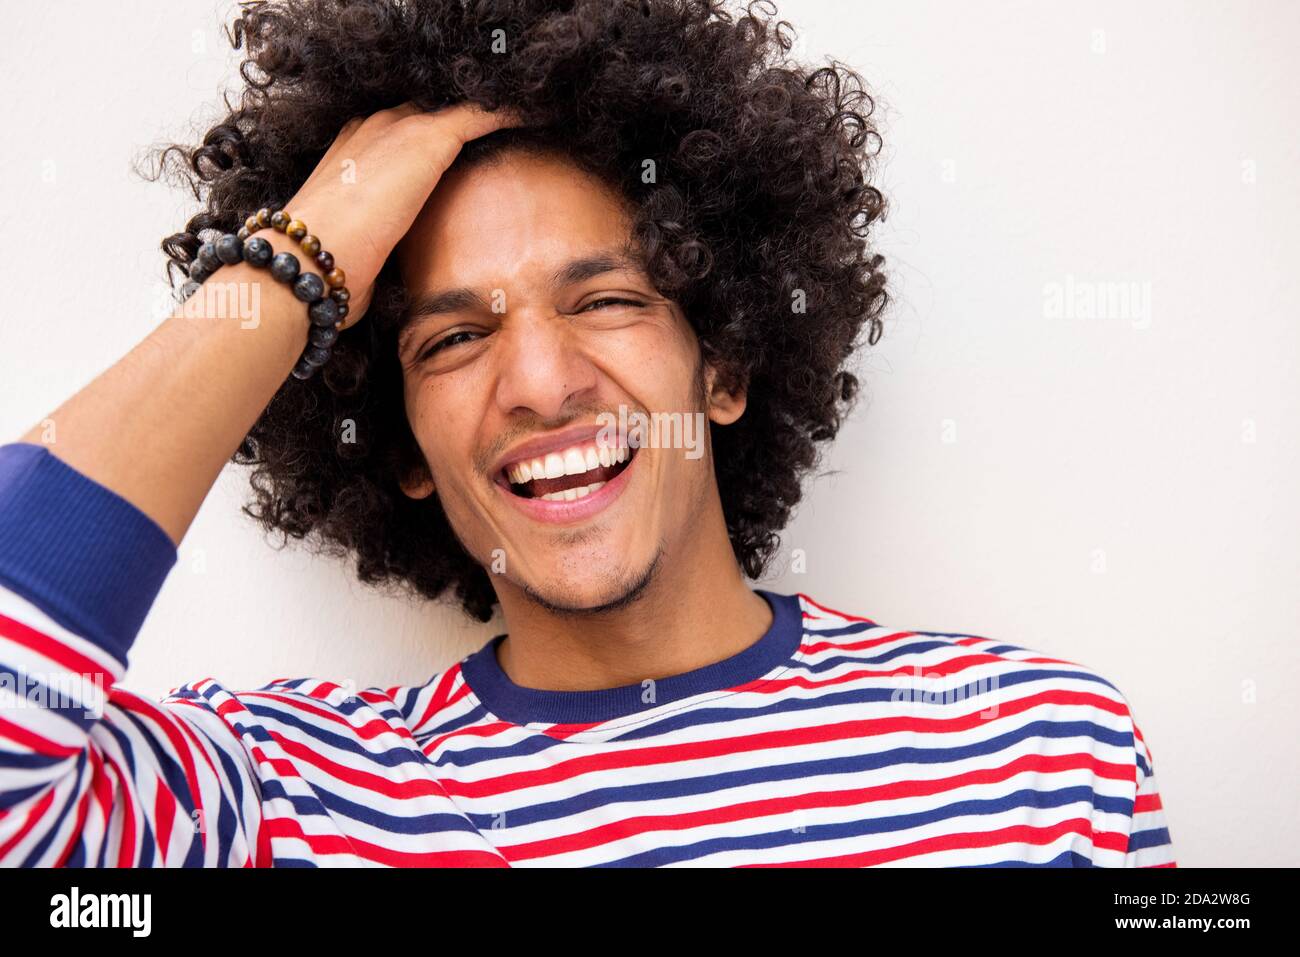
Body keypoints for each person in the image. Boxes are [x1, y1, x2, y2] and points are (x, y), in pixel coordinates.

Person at [0, 0, 1173, 867]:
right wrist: (301, 257)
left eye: (606, 301)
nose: (540, 382)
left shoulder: (1036, 759)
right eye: (451, 339)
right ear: (400, 446)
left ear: (721, 364)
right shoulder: (283, 800)